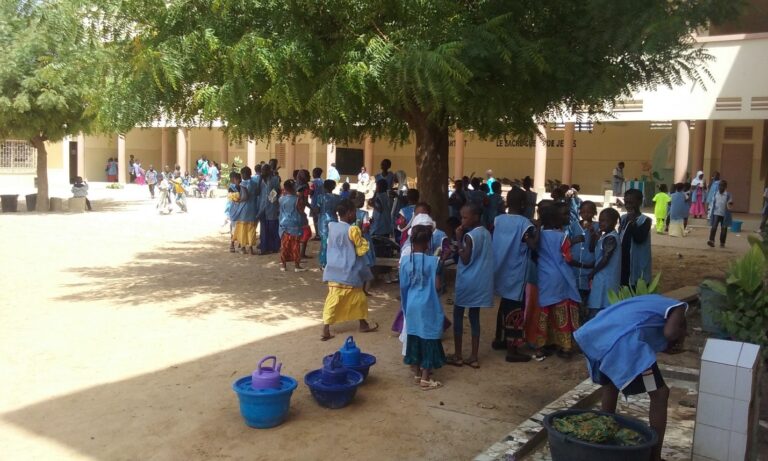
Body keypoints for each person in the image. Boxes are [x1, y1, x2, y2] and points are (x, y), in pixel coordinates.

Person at [574, 295, 688, 461]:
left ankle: (601, 444)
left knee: (611, 388)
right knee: (660, 394)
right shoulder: (680, 307)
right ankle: (654, 457)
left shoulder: (653, 303)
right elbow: (670, 333)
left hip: (598, 336)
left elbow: (648, 328)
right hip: (622, 346)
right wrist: (681, 335)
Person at [321, 199, 378, 340]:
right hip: (349, 270)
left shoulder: (332, 226)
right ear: (349, 213)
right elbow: (361, 249)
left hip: (333, 269)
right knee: (358, 298)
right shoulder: (352, 229)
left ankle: (326, 329)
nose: (355, 214)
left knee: (333, 299)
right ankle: (363, 324)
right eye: (353, 211)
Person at [491, 187, 536, 362]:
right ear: (524, 204)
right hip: (515, 272)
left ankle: (500, 338)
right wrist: (537, 229)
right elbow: (532, 245)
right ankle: (512, 348)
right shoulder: (525, 224)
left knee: (503, 306)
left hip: (499, 269)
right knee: (515, 310)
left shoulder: (498, 220)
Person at [401, 222, 447, 390]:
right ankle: (426, 378)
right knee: (429, 337)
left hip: (412, 303)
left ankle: (417, 372)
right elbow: (437, 286)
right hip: (428, 305)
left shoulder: (405, 261)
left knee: (415, 336)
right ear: (428, 242)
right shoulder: (433, 261)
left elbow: (403, 286)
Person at [448, 203, 494, 369]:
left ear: (475, 217)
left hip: (467, 282)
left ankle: (458, 355)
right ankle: (474, 356)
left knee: (458, 315)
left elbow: (465, 259)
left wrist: (459, 239)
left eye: (465, 217)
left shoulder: (469, 236)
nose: (462, 220)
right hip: (481, 282)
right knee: (474, 317)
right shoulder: (486, 233)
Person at [534, 202, 580, 360]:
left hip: (544, 277)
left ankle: (542, 346)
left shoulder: (538, 234)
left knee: (545, 311)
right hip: (561, 277)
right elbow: (568, 258)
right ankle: (566, 347)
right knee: (562, 311)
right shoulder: (562, 236)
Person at [586, 208, 621, 318]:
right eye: (600, 221)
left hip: (606, 277)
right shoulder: (604, 236)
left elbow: (605, 259)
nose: (601, 223)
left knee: (600, 306)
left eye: (605, 221)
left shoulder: (611, 238)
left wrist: (592, 273)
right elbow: (592, 249)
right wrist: (593, 236)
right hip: (602, 277)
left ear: (614, 222)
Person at [568, 200, 599, 308]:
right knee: (574, 291)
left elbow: (593, 248)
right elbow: (566, 243)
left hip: (589, 267)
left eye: (589, 212)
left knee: (587, 293)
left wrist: (593, 234)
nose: (586, 214)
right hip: (574, 267)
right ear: (579, 212)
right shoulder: (573, 226)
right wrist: (573, 241)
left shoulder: (597, 226)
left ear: (595, 213)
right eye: (583, 212)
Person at [620, 188, 652, 288]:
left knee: (637, 283)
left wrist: (633, 223)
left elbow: (639, 238)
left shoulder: (645, 220)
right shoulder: (623, 218)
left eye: (631, 202)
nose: (628, 205)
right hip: (624, 258)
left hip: (637, 260)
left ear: (639, 202)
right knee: (624, 283)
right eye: (626, 202)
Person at [278, 180, 307, 272]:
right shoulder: (297, 199)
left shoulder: (281, 199)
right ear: (294, 188)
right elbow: (301, 211)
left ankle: (283, 265)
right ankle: (297, 266)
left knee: (284, 246)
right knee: (295, 245)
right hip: (295, 225)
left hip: (283, 224)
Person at [351, 190, 376, 294]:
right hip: (363, 240)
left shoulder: (350, 212)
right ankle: (364, 290)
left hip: (352, 240)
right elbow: (365, 228)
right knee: (366, 265)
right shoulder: (364, 214)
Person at [314, 179, 341, 267]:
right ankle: (333, 260)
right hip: (333, 219)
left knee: (324, 241)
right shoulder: (337, 197)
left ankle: (324, 262)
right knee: (333, 241)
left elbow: (317, 210)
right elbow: (338, 210)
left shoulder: (320, 197)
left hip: (323, 221)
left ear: (324, 187)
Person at [233, 166, 259, 255]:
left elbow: (244, 197)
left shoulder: (243, 184)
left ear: (244, 174)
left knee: (243, 229)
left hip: (244, 208)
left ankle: (243, 247)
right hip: (253, 208)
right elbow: (257, 194)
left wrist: (238, 200)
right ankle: (251, 248)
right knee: (251, 229)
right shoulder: (255, 183)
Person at [257, 163, 281, 255]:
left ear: (269, 171)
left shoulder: (275, 179)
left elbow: (278, 191)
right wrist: (260, 180)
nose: (263, 172)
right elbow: (257, 192)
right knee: (263, 229)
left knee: (272, 228)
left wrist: (271, 199)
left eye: (265, 170)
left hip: (272, 207)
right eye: (262, 170)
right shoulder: (260, 180)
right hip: (262, 207)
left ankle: (274, 247)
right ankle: (264, 248)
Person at [708, 180, 733, 248]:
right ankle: (711, 240)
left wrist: (730, 203)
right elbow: (713, 203)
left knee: (724, 228)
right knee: (714, 227)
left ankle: (722, 242)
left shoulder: (728, 195)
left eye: (722, 186)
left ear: (725, 187)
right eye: (719, 185)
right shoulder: (716, 193)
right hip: (716, 213)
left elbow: (730, 201)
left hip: (725, 214)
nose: (720, 187)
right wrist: (710, 213)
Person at [227, 172, 243, 252]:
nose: (239, 181)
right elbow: (232, 198)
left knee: (240, 226)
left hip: (241, 209)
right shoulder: (231, 188)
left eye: (239, 180)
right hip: (234, 209)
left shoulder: (242, 187)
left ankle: (240, 242)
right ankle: (232, 243)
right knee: (233, 226)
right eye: (237, 180)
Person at [310, 167, 324, 240]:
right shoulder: (323, 181)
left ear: (314, 174)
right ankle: (321, 233)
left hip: (315, 202)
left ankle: (317, 234)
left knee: (315, 219)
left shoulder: (314, 182)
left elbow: (311, 192)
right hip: (322, 202)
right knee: (320, 218)